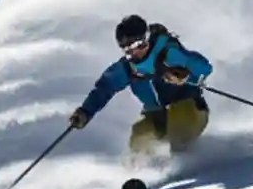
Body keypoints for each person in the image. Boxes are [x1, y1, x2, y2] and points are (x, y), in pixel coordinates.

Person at [68, 14, 214, 155]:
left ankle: (187, 166)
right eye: (128, 50)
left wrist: (185, 74)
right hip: (158, 117)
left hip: (190, 107)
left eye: (139, 44)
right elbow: (105, 88)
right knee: (139, 136)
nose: (135, 52)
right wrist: (85, 112)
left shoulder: (168, 53)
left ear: (147, 38)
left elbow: (205, 67)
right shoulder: (128, 68)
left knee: (179, 126)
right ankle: (142, 172)